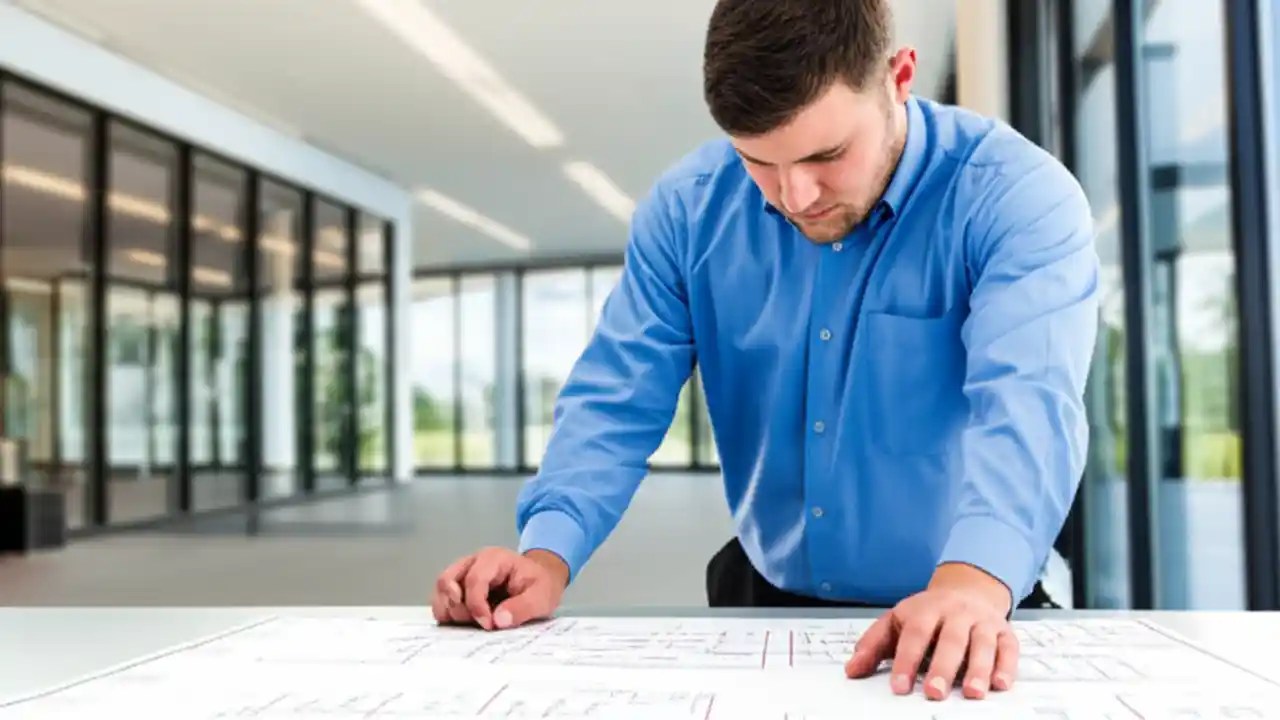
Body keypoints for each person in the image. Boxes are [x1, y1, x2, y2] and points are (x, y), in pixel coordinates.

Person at [430, 0, 1098, 703]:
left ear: (899, 77)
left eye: (826, 156)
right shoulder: (689, 209)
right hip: (764, 597)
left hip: (971, 603)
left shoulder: (1017, 198)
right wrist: (545, 552)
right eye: (759, 162)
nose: (794, 196)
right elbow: (617, 395)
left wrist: (971, 585)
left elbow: (1027, 407)